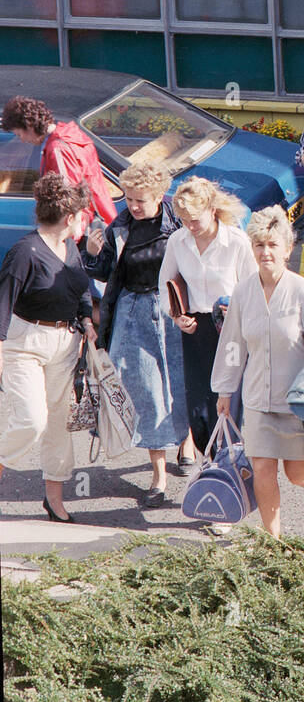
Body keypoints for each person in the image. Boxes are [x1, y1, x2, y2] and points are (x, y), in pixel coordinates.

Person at [211, 207, 304, 538]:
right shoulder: (243, 292)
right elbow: (233, 344)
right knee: (263, 471)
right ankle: (273, 543)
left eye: (273, 245)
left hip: (295, 402)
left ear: (288, 250)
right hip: (256, 399)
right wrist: (225, 390)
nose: (266, 253)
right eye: (259, 245)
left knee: (296, 474)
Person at [84, 161, 192, 507]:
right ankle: (158, 477)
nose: (132, 206)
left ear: (160, 196)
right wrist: (92, 253)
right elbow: (105, 272)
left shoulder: (178, 224)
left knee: (181, 385)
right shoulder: (120, 226)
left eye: (140, 200)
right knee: (146, 394)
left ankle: (186, 443)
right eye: (128, 198)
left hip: (171, 311)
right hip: (133, 313)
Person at [0, 175, 95, 523]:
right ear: (69, 218)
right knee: (31, 420)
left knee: (57, 424)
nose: (83, 220)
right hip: (26, 343)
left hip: (65, 343)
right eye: (81, 215)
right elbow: (3, 302)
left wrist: (87, 321)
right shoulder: (25, 252)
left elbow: (80, 287)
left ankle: (54, 501)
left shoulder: (70, 248)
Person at [158, 177, 257, 458]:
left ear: (212, 210)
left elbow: (253, 287)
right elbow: (165, 283)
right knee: (198, 406)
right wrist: (177, 316)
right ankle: (212, 455)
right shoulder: (178, 241)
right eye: (184, 220)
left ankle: (227, 462)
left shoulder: (236, 241)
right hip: (196, 330)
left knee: (227, 402)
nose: (190, 226)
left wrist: (237, 310)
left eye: (194, 219)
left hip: (231, 329)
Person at [1, 95, 117, 240]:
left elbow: (68, 199)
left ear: (29, 126)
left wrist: (65, 241)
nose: (22, 140)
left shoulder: (58, 150)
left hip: (83, 229)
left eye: (19, 134)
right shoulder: (69, 133)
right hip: (100, 216)